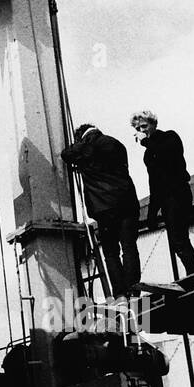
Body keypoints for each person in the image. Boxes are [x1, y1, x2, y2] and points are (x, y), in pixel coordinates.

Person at [62, 123, 140, 297]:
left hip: (104, 208)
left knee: (111, 252)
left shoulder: (85, 147)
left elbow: (66, 154)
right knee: (129, 247)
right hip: (127, 202)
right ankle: (134, 290)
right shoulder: (116, 143)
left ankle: (120, 293)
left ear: (81, 136)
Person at [130, 110, 194, 278]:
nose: (142, 130)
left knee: (179, 239)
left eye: (144, 126)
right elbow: (154, 183)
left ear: (154, 124)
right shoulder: (148, 153)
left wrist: (146, 142)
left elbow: (167, 157)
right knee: (178, 240)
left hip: (178, 193)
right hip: (166, 199)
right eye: (138, 128)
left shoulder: (169, 137)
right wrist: (152, 213)